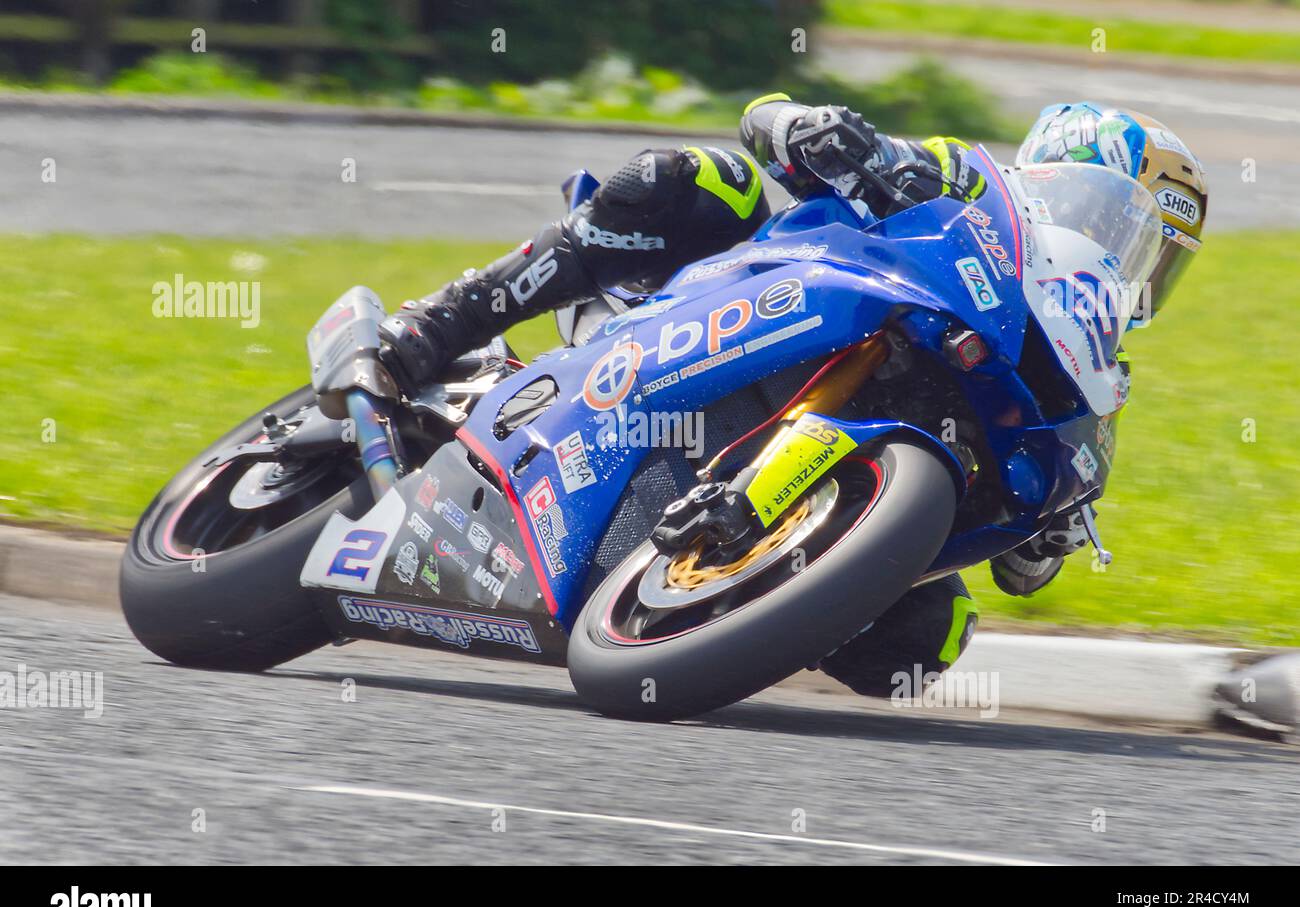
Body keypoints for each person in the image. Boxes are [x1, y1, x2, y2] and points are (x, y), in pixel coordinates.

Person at [369, 96, 1208, 697]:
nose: (1132, 264)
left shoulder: (1094, 370)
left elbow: (1028, 567)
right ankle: (437, 327)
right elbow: (768, 122)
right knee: (697, 179)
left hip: (852, 452)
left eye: (1157, 258)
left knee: (929, 643)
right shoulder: (963, 176)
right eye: (1123, 228)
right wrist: (812, 130)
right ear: (1062, 178)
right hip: (758, 302)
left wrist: (1047, 528)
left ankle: (709, 608)